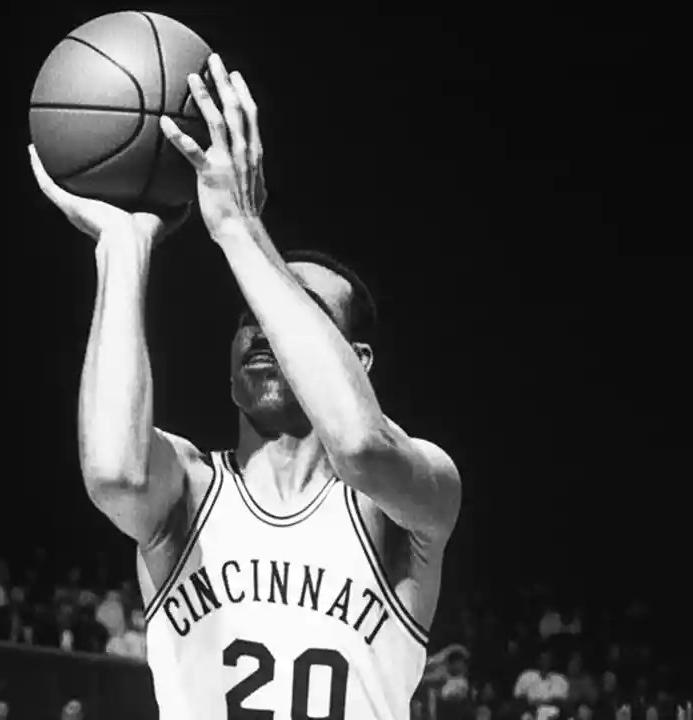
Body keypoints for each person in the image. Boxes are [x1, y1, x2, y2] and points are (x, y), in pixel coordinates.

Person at [30, 52, 461, 720]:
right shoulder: (192, 488)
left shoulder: (411, 495)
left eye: (296, 314)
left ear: (359, 359)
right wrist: (123, 247)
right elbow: (113, 471)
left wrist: (238, 229)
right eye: (249, 316)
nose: (266, 329)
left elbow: (358, 446)